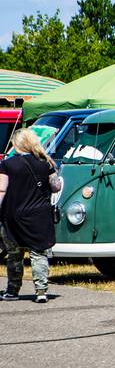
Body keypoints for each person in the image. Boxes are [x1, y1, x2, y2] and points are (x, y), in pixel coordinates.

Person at [0, 128, 63, 303]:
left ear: (16, 143)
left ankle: (12, 291)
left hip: (14, 216)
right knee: (39, 254)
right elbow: (56, 187)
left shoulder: (7, 164)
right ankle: (41, 292)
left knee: (14, 254)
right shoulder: (46, 163)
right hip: (40, 216)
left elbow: (1, 190)